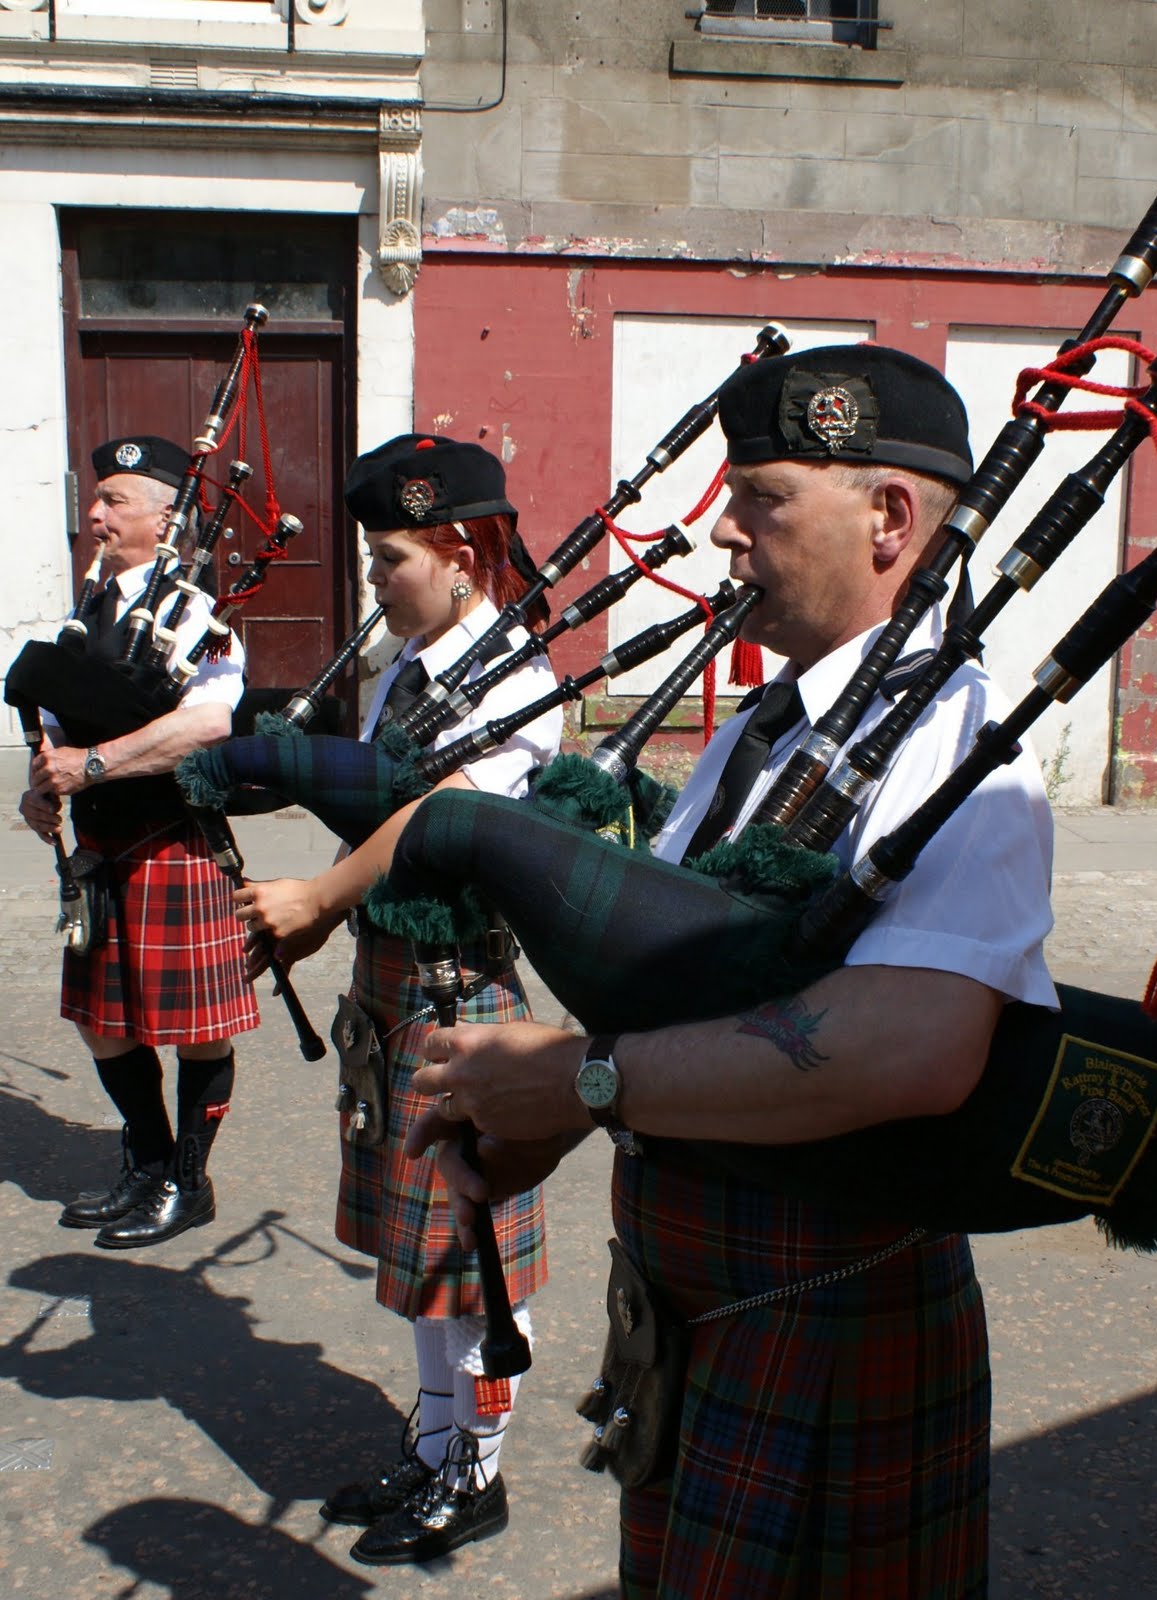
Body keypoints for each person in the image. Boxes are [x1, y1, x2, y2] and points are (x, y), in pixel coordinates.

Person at [404, 346, 1058, 1599]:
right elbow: (684, 991)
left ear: (890, 518)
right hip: (698, 1298)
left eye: (763, 498)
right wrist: (550, 1122)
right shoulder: (764, 727)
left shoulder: (963, 747)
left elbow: (910, 1047)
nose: (723, 531)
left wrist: (581, 1080)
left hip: (828, 1318)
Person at [234, 435, 564, 1567]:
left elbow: (440, 819)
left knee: (468, 1254)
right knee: (420, 1255)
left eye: (390, 560)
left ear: (461, 555)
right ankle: (431, 1447)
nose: (373, 582)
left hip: (461, 987)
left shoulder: (516, 675)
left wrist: (322, 898)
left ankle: (476, 1473)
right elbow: (371, 806)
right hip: (390, 983)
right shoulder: (403, 669)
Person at [19, 434, 257, 1250]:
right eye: (97, 500)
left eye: (115, 500)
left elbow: (207, 725)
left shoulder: (197, 615)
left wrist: (93, 765)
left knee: (197, 1026)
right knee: (104, 1021)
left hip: (171, 841)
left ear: (165, 518)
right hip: (98, 847)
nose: (95, 515)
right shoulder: (86, 612)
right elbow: (57, 721)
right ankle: (149, 1164)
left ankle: (189, 1182)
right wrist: (42, 786)